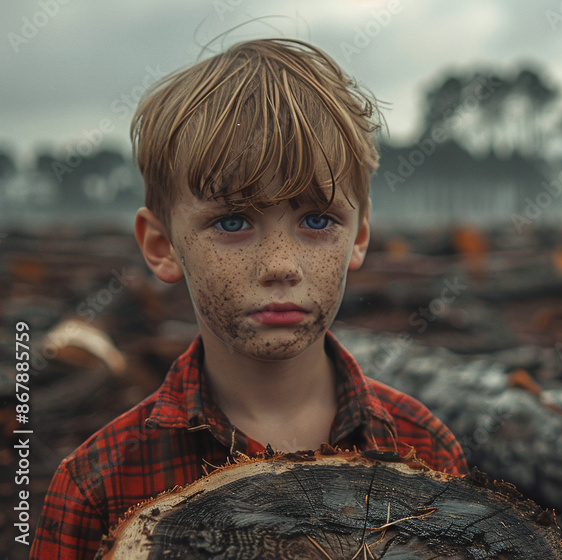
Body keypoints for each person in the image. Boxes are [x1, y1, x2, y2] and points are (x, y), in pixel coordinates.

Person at [31, 38, 468, 559]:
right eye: (233, 222)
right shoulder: (99, 485)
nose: (280, 265)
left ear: (359, 234)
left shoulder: (423, 451)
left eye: (316, 220)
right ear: (162, 245)